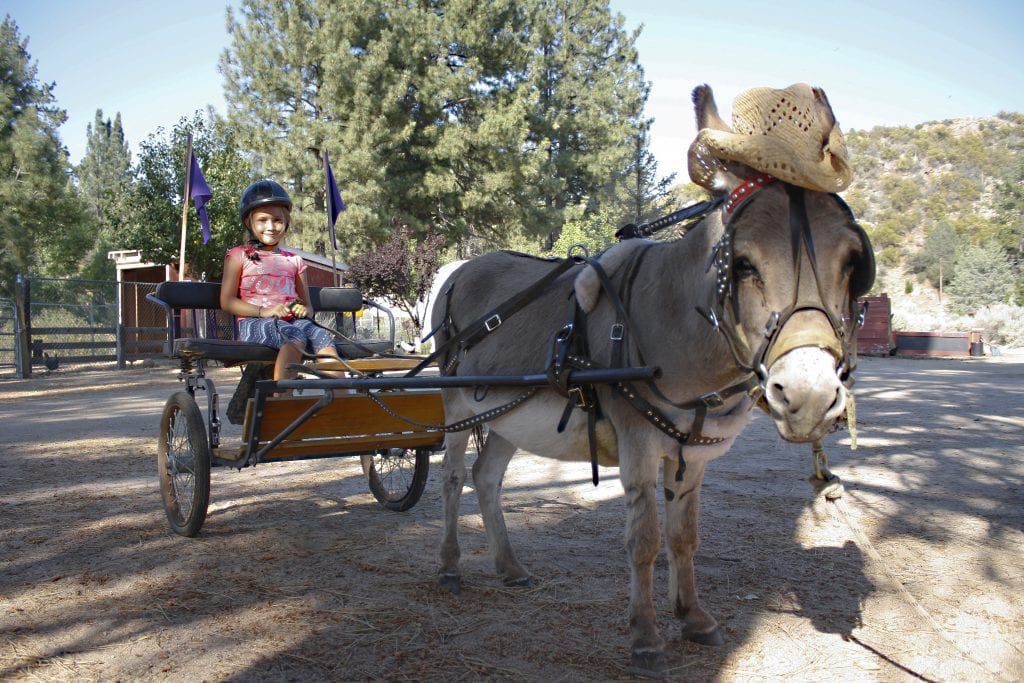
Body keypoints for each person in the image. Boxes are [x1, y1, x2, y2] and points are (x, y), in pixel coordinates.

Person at [220, 179, 343, 385]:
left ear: (286, 222)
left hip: (294, 322)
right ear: (249, 222)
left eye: (277, 220)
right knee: (294, 337)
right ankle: (282, 399)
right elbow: (227, 301)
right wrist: (264, 311)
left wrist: (304, 310)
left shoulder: (294, 261)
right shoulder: (239, 255)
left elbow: (307, 305)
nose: (271, 226)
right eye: (263, 220)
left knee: (324, 338)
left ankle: (341, 398)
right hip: (254, 323)